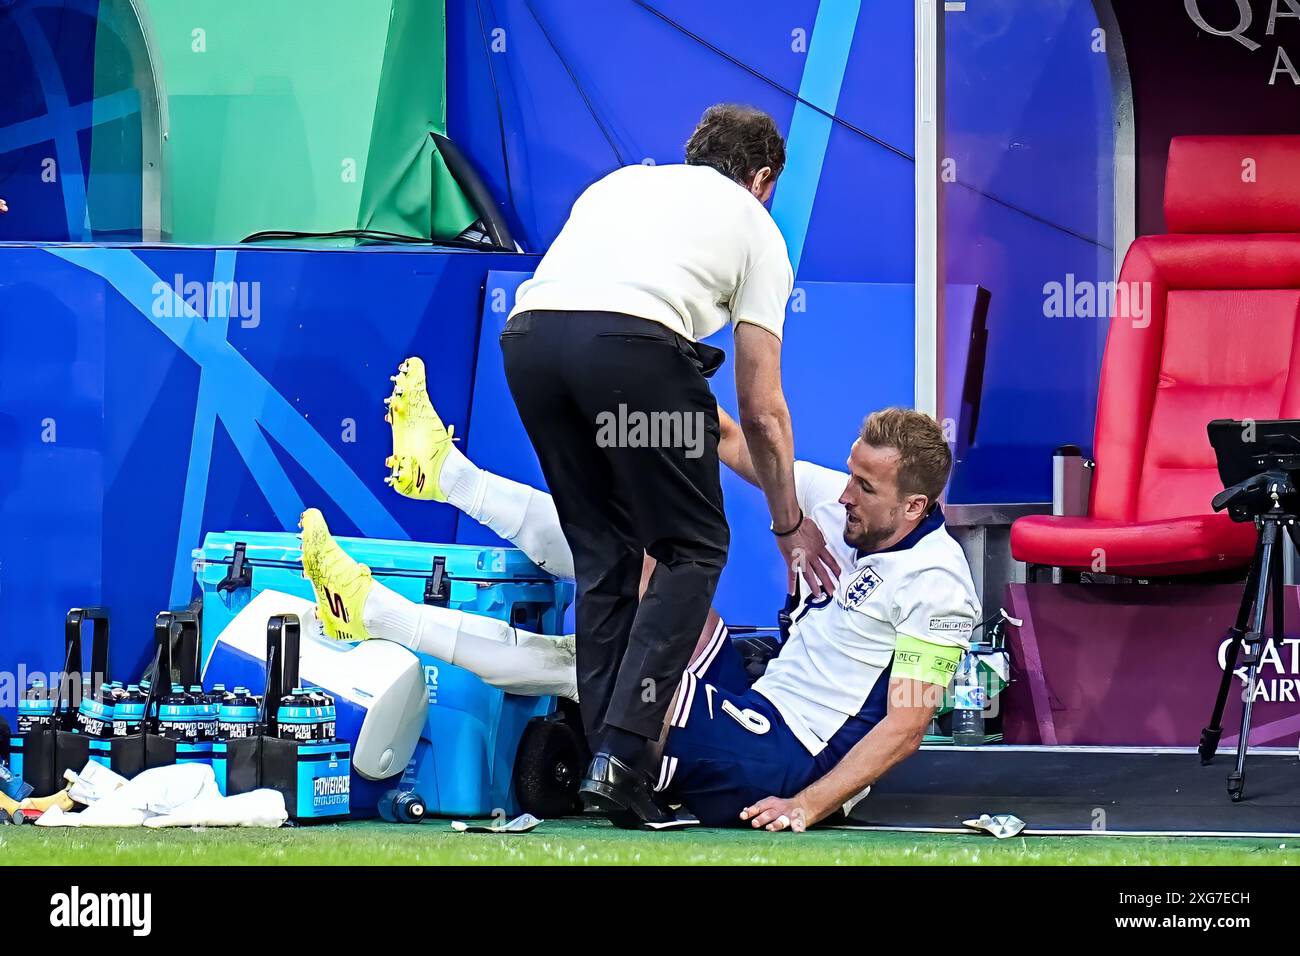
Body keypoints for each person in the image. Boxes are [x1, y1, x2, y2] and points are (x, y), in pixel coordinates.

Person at [298, 367, 979, 830]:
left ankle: (383, 606)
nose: (844, 495)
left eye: (865, 487)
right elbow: (733, 438)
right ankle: (442, 480)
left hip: (788, 755)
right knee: (635, 571)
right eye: (851, 473)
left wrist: (807, 804)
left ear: (914, 505)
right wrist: (654, 369)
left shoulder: (937, 584)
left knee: (609, 661)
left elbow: (906, 725)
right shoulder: (842, 504)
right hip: (754, 690)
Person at [486, 103, 841, 823]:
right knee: (694, 545)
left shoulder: (620, 184)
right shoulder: (757, 228)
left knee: (606, 556)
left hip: (529, 347)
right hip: (631, 354)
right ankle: (622, 760)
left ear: (692, 154)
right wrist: (788, 524)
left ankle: (601, 760)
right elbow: (763, 405)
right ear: (763, 178)